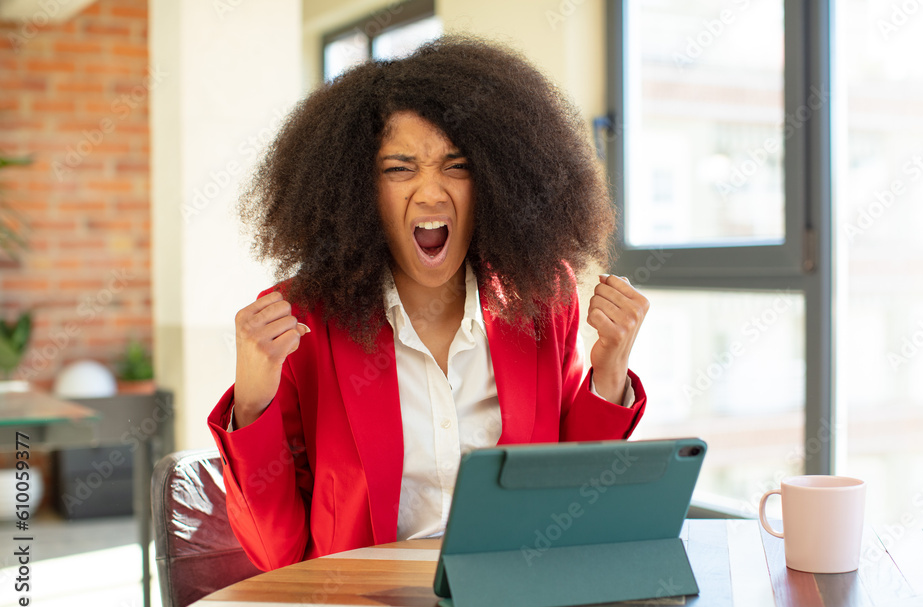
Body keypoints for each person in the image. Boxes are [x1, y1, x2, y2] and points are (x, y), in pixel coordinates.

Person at [207, 35, 650, 571]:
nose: (432, 193)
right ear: (355, 188)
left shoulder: (540, 299)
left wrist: (610, 371)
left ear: (495, 179)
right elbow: (276, 554)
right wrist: (252, 405)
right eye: (400, 168)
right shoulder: (298, 322)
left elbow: (573, 497)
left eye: (456, 165)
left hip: (509, 603)